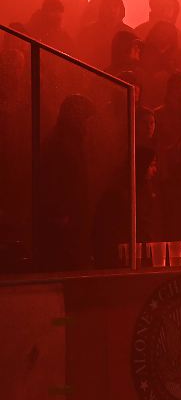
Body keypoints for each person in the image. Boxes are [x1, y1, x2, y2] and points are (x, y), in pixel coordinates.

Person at [34, 94, 95, 271]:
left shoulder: (72, 141)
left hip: (73, 221)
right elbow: (51, 181)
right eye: (86, 118)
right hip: (65, 226)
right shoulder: (59, 143)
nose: (89, 124)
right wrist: (59, 214)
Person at [77, 0, 132, 67]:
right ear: (102, 8)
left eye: (115, 6)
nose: (112, 10)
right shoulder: (88, 32)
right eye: (108, 6)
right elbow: (81, 57)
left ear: (121, 9)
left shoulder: (128, 34)